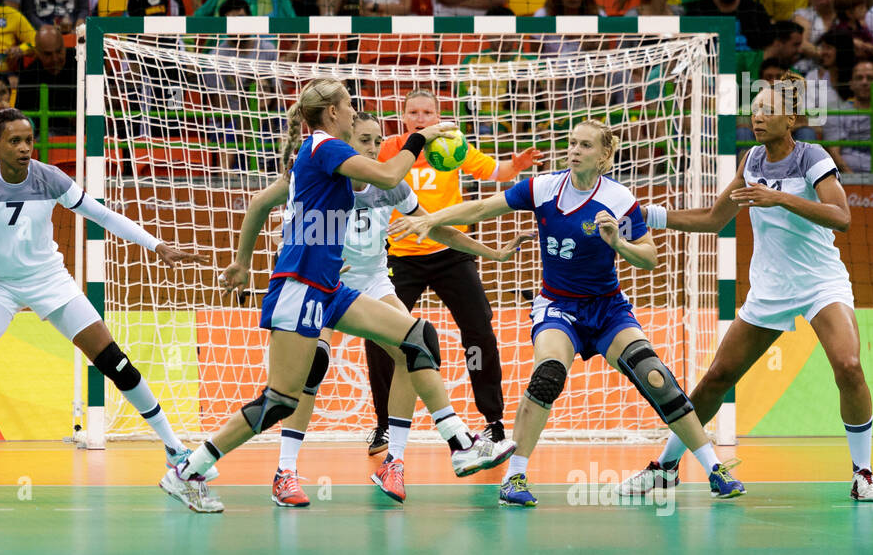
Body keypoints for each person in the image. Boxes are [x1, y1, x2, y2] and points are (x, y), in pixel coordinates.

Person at [165, 79, 516, 513]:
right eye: (349, 107)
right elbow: (389, 172)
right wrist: (420, 137)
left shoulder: (332, 156)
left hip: (332, 287)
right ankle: (189, 470)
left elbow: (389, 189)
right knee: (279, 401)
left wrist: (240, 262)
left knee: (416, 337)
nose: (354, 113)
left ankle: (460, 441)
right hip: (299, 287)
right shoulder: (322, 147)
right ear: (332, 112)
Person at [395, 119, 746, 508]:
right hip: (557, 306)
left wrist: (618, 242)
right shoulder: (544, 187)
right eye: (572, 143)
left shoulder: (618, 199)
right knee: (548, 376)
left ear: (604, 156)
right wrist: (431, 219)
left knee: (655, 375)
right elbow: (481, 208)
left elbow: (649, 257)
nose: (574, 150)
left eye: (585, 145)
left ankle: (713, 468)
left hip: (608, 309)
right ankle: (514, 477)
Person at [0, 108, 207, 490]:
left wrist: (157, 245)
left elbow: (102, 216)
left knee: (114, 362)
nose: (25, 148)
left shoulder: (49, 177)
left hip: (50, 281)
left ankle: (176, 450)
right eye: (15, 141)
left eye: (29, 140)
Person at [621, 74, 873, 502]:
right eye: (754, 109)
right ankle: (664, 468)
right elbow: (712, 219)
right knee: (717, 377)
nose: (756, 117)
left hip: (820, 282)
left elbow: (841, 216)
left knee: (849, 366)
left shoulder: (811, 157)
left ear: (792, 119)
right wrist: (648, 214)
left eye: (767, 111)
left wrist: (779, 198)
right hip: (770, 287)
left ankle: (864, 474)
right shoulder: (752, 162)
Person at [364, 89, 543, 452]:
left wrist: (517, 166)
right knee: (380, 336)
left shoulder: (453, 145)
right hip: (400, 257)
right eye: (413, 111)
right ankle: (383, 425)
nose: (420, 118)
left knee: (479, 330)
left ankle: (492, 421)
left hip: (451, 252)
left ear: (438, 115)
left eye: (427, 112)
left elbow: (495, 171)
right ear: (403, 116)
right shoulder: (392, 149)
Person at [823, 57, 873, 172]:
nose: (865, 82)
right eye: (859, 78)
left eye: (870, 78)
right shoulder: (837, 113)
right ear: (851, 84)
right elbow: (834, 153)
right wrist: (853, 180)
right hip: (850, 178)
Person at [15, 25, 77, 130]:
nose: (55, 59)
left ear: (64, 47)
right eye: (48, 54)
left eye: (59, 51)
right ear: (37, 53)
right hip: (45, 135)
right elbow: (22, 117)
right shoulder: (28, 75)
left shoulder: (82, 62)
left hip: (84, 133)